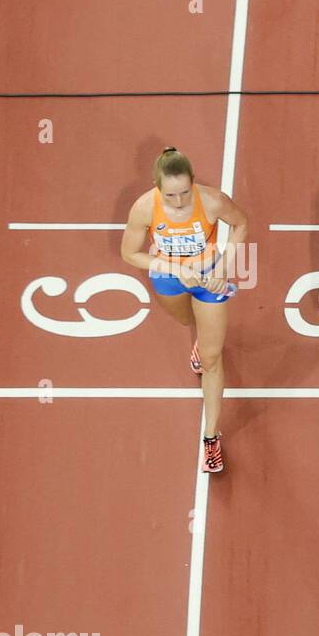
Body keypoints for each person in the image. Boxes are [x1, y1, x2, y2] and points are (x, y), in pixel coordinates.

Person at [120, 146, 248, 473]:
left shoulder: (213, 201)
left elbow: (241, 224)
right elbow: (130, 254)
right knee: (185, 320)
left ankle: (210, 437)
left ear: (194, 180)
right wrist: (172, 268)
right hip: (169, 279)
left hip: (209, 279)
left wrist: (223, 268)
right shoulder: (144, 208)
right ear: (156, 186)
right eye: (171, 195)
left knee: (212, 358)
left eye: (184, 192)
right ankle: (200, 341)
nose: (178, 201)